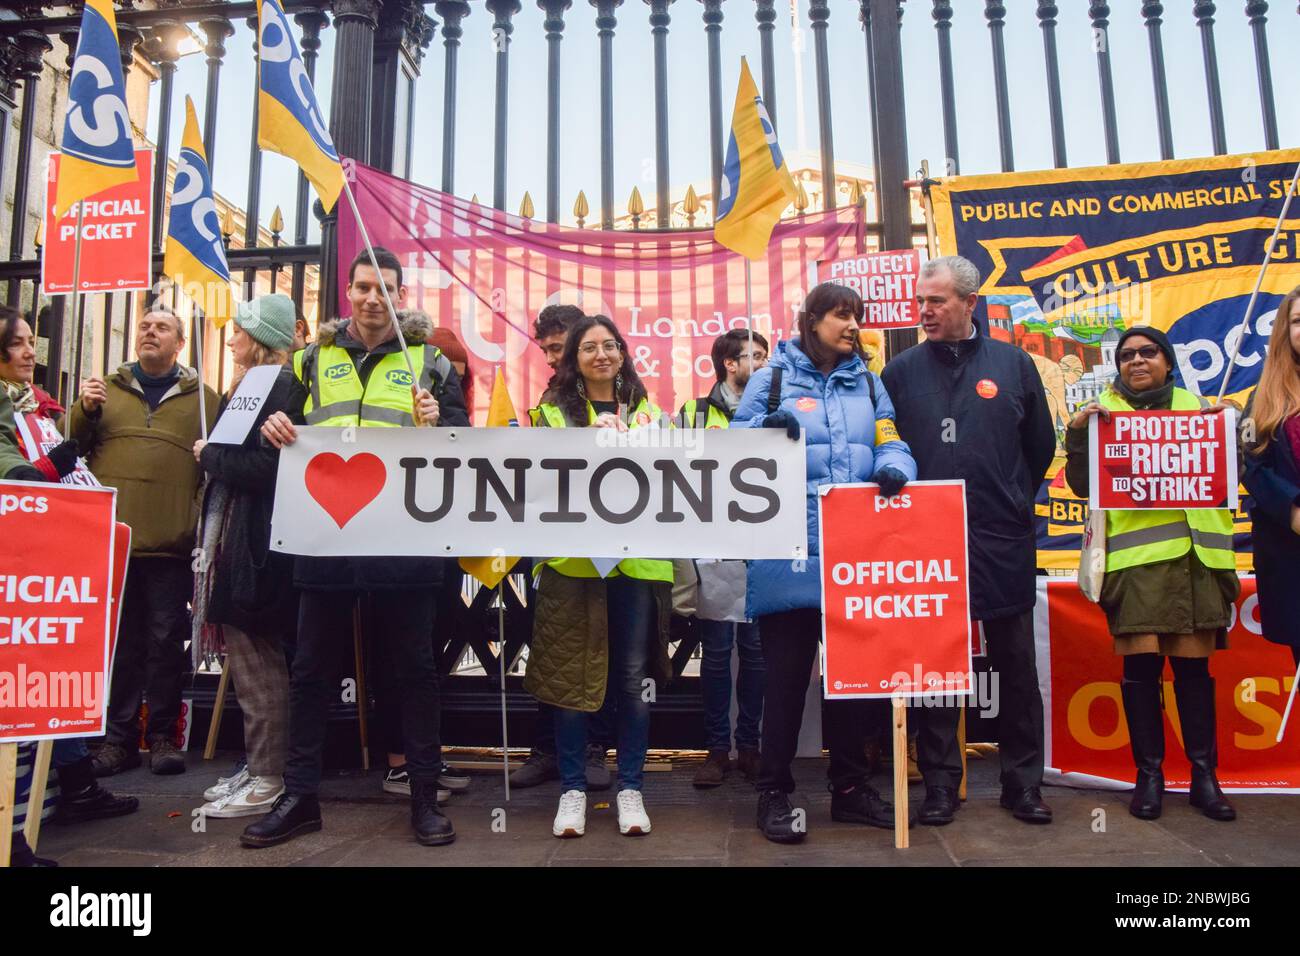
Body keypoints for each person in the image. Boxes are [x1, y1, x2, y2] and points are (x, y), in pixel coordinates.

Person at [249, 248, 470, 849]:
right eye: (364, 287)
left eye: (386, 289)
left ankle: (423, 796)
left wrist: (440, 424)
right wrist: (274, 430)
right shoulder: (310, 359)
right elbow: (280, 428)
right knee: (312, 670)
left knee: (415, 671)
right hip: (326, 533)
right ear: (348, 291)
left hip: (405, 538)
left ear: (401, 296)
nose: (375, 298)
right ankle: (300, 798)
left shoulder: (431, 362)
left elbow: (462, 447)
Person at [734, 282, 916, 844]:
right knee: (786, 681)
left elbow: (893, 441)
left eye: (856, 317)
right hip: (786, 551)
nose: (852, 325)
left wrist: (894, 467)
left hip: (854, 553)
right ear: (811, 320)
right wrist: (764, 433)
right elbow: (735, 445)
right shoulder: (774, 378)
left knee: (854, 681)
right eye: (841, 316)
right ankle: (774, 791)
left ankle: (851, 790)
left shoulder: (867, 379)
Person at [881, 256, 1056, 827]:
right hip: (926, 540)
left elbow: (1040, 448)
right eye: (920, 302)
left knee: (1014, 665)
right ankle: (938, 785)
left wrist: (1006, 498)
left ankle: (1022, 785)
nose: (924, 311)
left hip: (1000, 537)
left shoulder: (1013, 364)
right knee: (934, 667)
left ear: (970, 303)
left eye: (936, 301)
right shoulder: (900, 372)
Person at [1064, 324, 1239, 822]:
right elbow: (1080, 486)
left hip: (1195, 563)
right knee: (1140, 673)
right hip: (1136, 568)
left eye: (1147, 352)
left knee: (1193, 673)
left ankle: (1206, 778)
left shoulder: (1199, 408)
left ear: (1167, 360)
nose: (1136, 362)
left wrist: (1231, 429)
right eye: (1125, 356)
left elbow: (1231, 477)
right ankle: (1150, 777)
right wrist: (1079, 435)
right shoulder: (1102, 415)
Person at [527, 314, 672, 838]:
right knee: (571, 680)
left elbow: (667, 472)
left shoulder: (649, 409)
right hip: (573, 564)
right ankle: (572, 791)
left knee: (632, 681)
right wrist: (588, 439)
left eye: (611, 345)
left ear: (623, 353)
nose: (602, 355)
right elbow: (541, 474)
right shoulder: (548, 412)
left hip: (636, 564)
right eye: (589, 347)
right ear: (573, 358)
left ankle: (629, 786)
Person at [0, 306, 138, 836]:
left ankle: (72, 781)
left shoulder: (33, 406)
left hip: (54, 556)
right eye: (17, 344)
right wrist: (45, 470)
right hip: (23, 562)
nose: (30, 352)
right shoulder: (8, 411)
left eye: (31, 341)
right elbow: (18, 479)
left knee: (62, 670)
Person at [68, 303, 218, 777]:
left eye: (162, 328)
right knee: (119, 646)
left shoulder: (204, 401)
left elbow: (212, 466)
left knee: (165, 643)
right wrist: (83, 411)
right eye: (145, 326)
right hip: (113, 545)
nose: (150, 333)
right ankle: (118, 740)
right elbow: (67, 451)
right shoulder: (103, 391)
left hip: (171, 546)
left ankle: (162, 738)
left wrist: (194, 516)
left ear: (180, 343)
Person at [191, 294, 299, 818]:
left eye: (238, 330)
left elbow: (264, 468)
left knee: (259, 662)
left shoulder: (276, 386)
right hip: (247, 539)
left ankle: (268, 776)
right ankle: (259, 765)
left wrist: (207, 454)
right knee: (254, 661)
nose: (230, 338)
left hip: (254, 544)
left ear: (259, 339)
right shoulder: (257, 386)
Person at [512, 302, 616, 792]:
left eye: (560, 349)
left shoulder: (620, 397)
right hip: (556, 548)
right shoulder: (550, 400)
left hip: (611, 550)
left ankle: (594, 746)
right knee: (551, 647)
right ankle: (547, 747)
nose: (553, 359)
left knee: (601, 650)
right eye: (548, 350)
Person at [676, 330, 770, 787]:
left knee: (755, 653)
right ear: (729, 365)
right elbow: (675, 469)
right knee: (714, 654)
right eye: (752, 356)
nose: (762, 362)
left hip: (764, 543)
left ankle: (749, 745)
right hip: (711, 543)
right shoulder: (693, 413)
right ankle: (716, 749)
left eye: (764, 354)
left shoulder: (777, 407)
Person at [1240, 286, 1300, 668]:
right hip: (1291, 551)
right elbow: (1252, 464)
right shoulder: (1263, 396)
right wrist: (1293, 511)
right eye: (1298, 321)